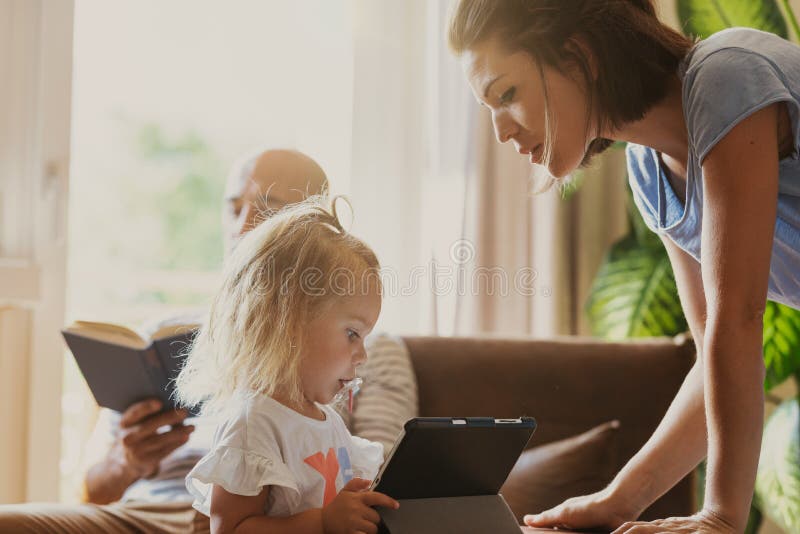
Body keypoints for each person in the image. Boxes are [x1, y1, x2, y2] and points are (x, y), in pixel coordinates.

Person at [448, 1, 800, 533]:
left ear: (579, 56)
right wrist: (620, 500)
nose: (501, 131)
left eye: (507, 93)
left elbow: (739, 322)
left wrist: (722, 518)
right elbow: (713, 356)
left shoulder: (728, 76)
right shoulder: (647, 171)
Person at [0, 149, 417, 533]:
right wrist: (127, 461)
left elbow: (389, 480)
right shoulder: (171, 339)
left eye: (268, 209)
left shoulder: (366, 349)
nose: (243, 226)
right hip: (142, 513)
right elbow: (93, 491)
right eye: (235, 207)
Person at [175, 194, 399, 533]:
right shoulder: (254, 422)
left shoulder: (329, 422)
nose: (362, 354)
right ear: (290, 324)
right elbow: (231, 529)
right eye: (352, 333)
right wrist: (323, 522)